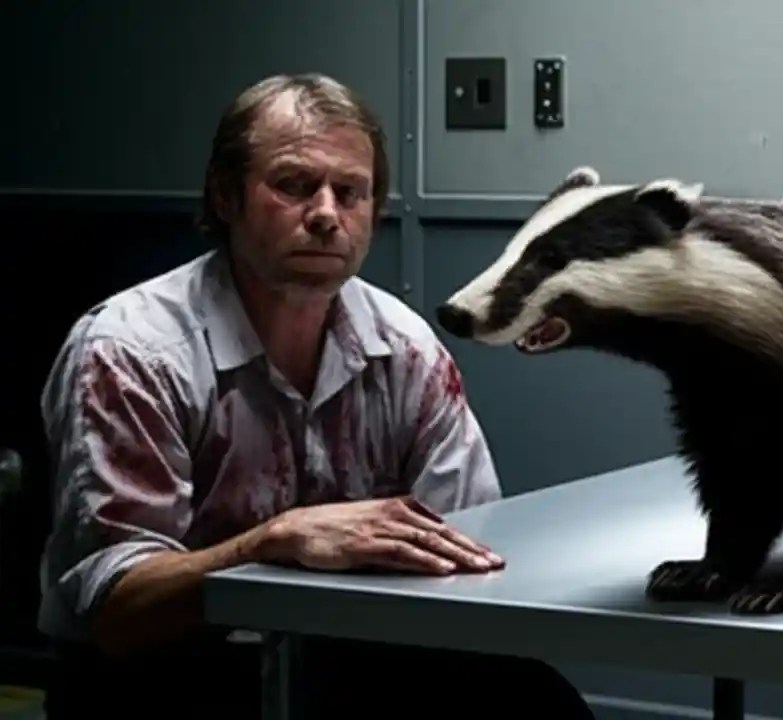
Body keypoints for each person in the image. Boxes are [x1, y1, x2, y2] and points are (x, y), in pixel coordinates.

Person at [36, 73, 595, 718]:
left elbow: (469, 549)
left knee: (538, 701)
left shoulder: (405, 348)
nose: (328, 214)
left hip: (345, 652)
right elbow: (116, 611)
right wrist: (272, 541)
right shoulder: (133, 350)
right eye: (294, 186)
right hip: (166, 670)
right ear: (226, 194)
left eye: (350, 192)